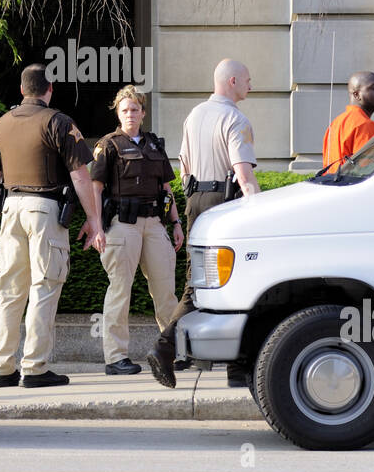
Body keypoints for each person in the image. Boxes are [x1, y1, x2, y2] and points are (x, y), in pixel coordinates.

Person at [0, 63, 105, 388]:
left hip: (11, 209)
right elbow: (81, 175)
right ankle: (35, 368)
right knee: (44, 287)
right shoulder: (58, 122)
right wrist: (93, 220)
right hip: (44, 210)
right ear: (49, 89)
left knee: (9, 291)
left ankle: (1, 367)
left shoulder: (2, 123)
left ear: (22, 90)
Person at [147, 58, 259, 389]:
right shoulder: (236, 119)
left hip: (197, 203)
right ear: (234, 81)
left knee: (198, 283)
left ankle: (232, 365)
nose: (252, 85)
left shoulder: (194, 115)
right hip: (225, 206)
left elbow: (184, 169)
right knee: (236, 283)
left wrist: (195, 200)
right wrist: (256, 211)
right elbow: (244, 175)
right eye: (249, 80)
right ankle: (173, 347)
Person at [89, 85, 183, 376]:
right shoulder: (109, 145)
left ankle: (174, 352)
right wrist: (95, 227)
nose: (130, 114)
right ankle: (116, 357)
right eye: (124, 110)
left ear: (143, 112)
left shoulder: (155, 144)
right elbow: (95, 188)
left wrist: (176, 222)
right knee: (119, 291)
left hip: (154, 224)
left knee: (165, 291)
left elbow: (166, 188)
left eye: (134, 109)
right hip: (122, 225)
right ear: (118, 113)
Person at [322, 71, 374, 172]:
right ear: (356, 95)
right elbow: (368, 169)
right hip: (353, 185)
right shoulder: (364, 125)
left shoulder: (336, 123)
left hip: (333, 185)